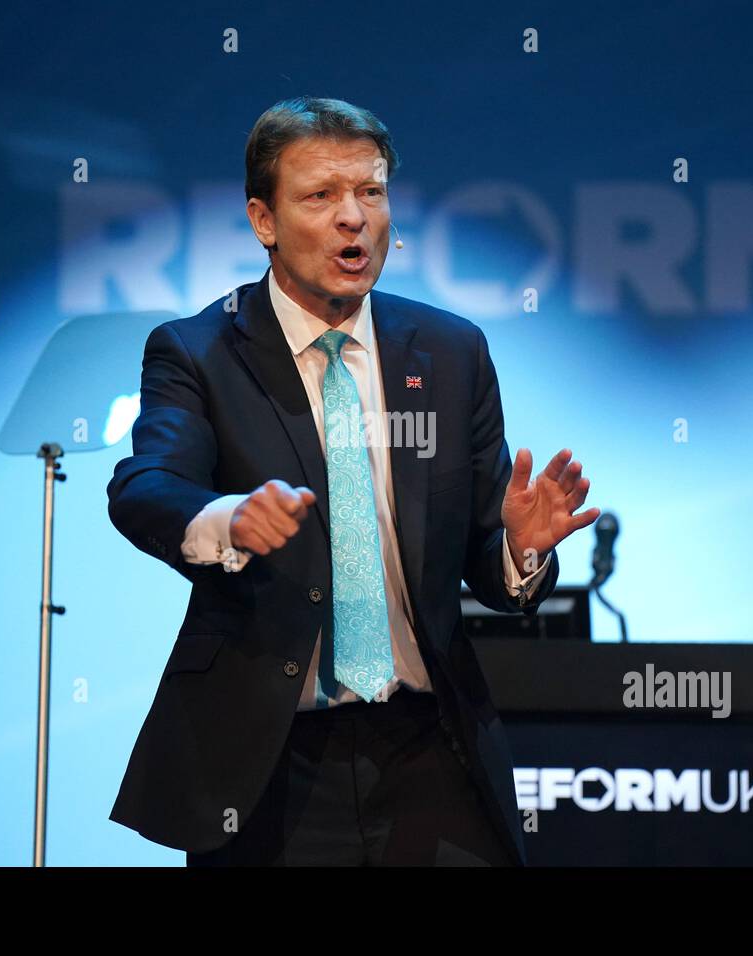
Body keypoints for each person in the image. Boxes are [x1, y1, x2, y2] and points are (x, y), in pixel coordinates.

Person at [106, 96, 600, 865]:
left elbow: (489, 566)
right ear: (263, 221)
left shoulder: (450, 351)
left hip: (431, 749)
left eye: (371, 192)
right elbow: (143, 487)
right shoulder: (198, 352)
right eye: (321, 196)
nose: (354, 218)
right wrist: (227, 519)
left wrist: (518, 549)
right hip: (272, 756)